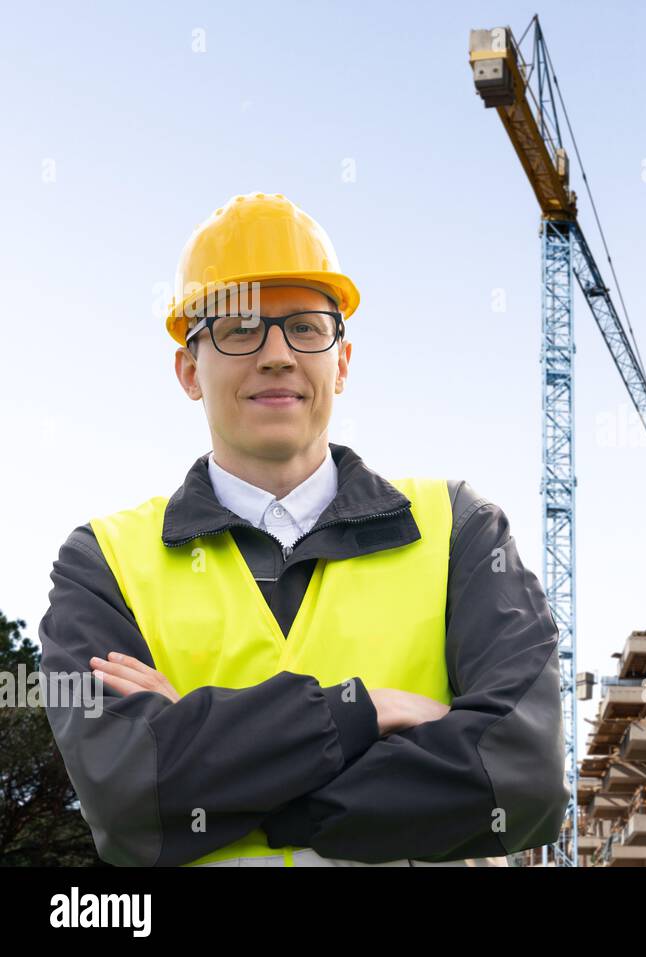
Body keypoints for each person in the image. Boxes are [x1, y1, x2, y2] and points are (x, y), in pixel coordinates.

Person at [37, 191, 568, 866]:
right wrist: (364, 712)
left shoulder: (460, 530)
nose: (278, 355)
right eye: (238, 328)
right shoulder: (103, 562)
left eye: (307, 327)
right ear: (187, 370)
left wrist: (221, 760)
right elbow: (133, 797)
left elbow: (522, 772)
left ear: (340, 361)